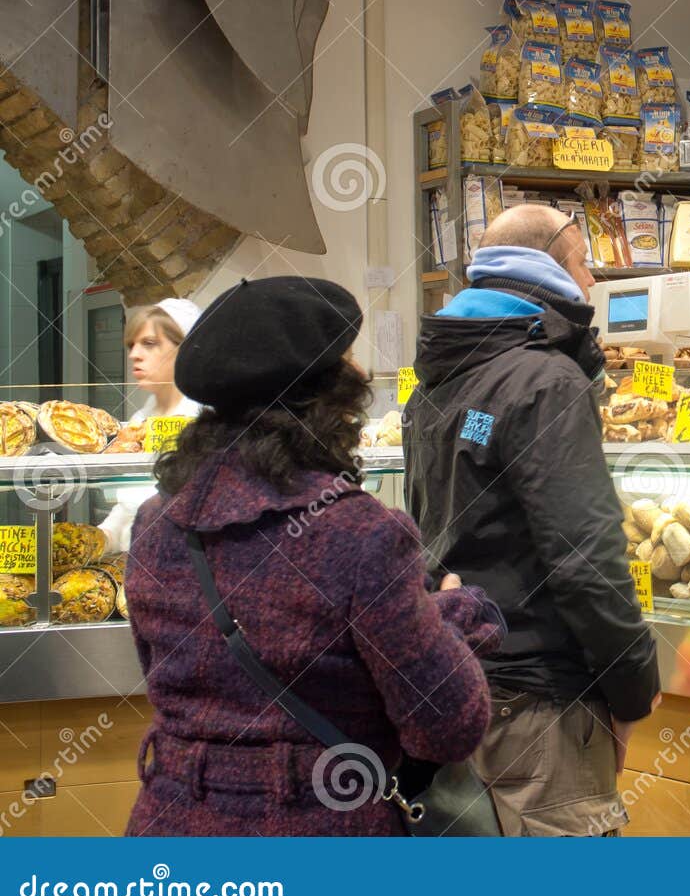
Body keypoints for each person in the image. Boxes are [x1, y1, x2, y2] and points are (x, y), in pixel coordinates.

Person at [124, 277, 502, 836]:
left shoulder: (157, 522)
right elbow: (447, 728)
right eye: (347, 359)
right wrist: (456, 615)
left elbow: (178, 674)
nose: (361, 371)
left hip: (169, 824)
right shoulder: (361, 533)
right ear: (327, 395)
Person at [406, 204, 659, 837]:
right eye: (583, 263)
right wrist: (634, 685)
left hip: (457, 685)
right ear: (547, 266)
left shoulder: (431, 384)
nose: (592, 281)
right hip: (541, 706)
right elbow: (586, 558)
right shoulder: (547, 380)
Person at [101, 299, 203, 552]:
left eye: (149, 343)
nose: (134, 354)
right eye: (131, 345)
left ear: (184, 349)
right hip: (137, 561)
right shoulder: (140, 420)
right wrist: (101, 538)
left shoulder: (204, 422)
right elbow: (127, 508)